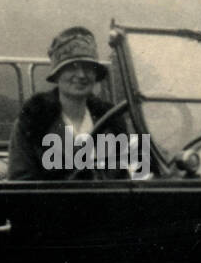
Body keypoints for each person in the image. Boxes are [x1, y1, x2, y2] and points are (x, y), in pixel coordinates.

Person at [7, 26, 129, 181]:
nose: (81, 75)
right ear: (57, 74)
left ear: (95, 74)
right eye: (72, 67)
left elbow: (123, 179)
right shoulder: (32, 123)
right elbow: (20, 184)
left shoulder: (113, 121)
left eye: (88, 67)